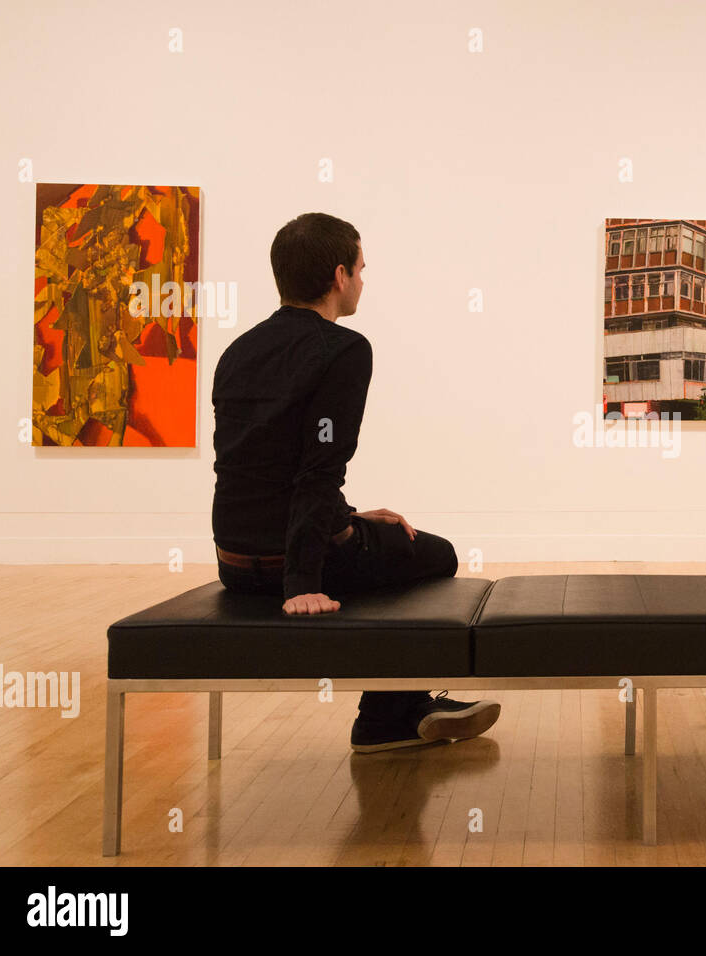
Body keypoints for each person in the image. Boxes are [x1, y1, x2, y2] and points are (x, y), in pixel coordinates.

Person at [210, 212, 500, 753]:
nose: (364, 281)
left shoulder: (237, 353)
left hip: (234, 563)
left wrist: (349, 519)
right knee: (434, 556)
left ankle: (399, 709)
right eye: (362, 270)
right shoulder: (344, 349)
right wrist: (302, 584)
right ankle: (387, 715)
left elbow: (254, 467)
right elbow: (319, 468)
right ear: (339, 276)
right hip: (289, 566)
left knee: (384, 537)